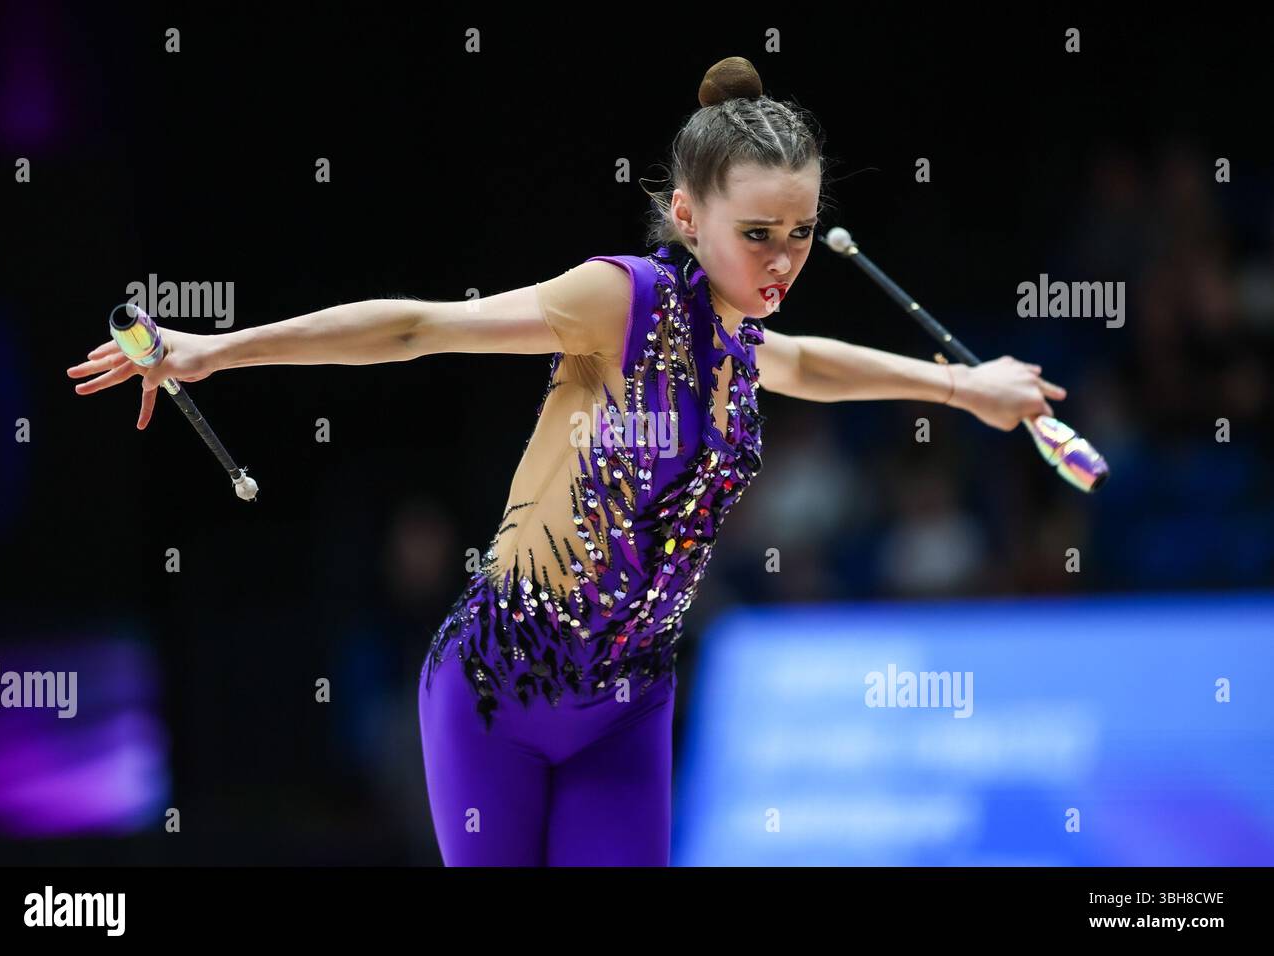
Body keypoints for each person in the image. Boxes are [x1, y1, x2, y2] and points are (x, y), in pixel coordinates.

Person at [67, 56, 1065, 867]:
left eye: (800, 234)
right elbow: (420, 327)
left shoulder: (743, 348)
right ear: (685, 217)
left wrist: (965, 389)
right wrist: (213, 349)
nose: (782, 259)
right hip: (497, 687)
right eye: (756, 233)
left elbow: (811, 364)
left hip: (627, 704)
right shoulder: (619, 300)